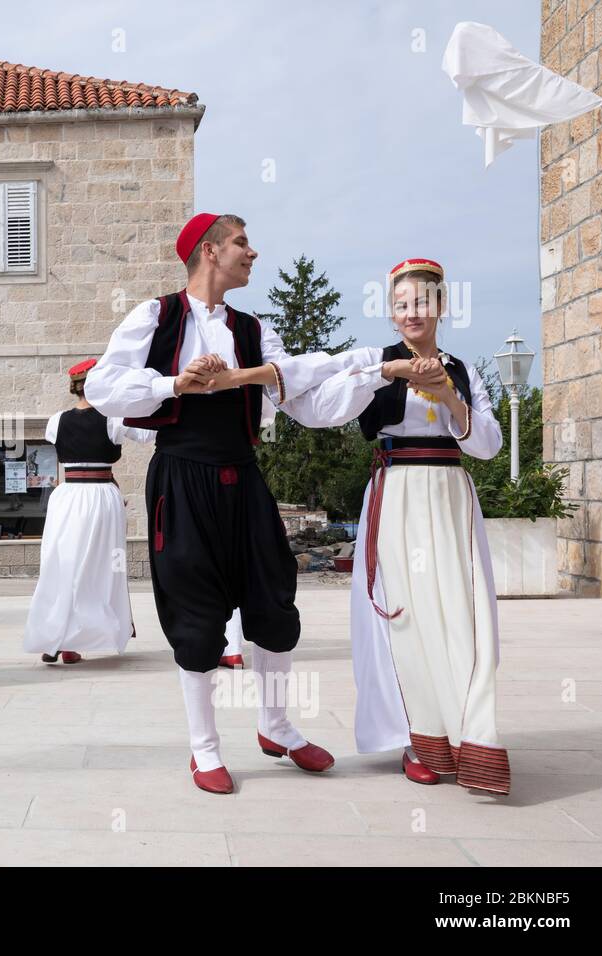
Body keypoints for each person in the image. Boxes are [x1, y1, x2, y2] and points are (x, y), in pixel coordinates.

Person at [85, 212, 373, 794]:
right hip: (181, 477)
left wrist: (370, 372)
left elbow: (305, 403)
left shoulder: (253, 329)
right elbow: (102, 386)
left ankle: (277, 726)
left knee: (271, 595)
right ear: (209, 251)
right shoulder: (156, 316)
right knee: (194, 607)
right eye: (242, 243)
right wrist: (175, 383)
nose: (252, 253)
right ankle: (205, 748)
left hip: (242, 474)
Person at [296, 259, 509, 794]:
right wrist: (386, 374)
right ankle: (417, 738)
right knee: (403, 614)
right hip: (397, 492)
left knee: (464, 612)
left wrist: (448, 396)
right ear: (391, 314)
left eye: (422, 302)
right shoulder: (376, 360)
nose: (412, 312)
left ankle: (468, 733)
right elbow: (324, 406)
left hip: (450, 496)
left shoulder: (462, 370)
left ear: (442, 306)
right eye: (402, 304)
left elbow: (488, 444)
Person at [24, 359, 154, 665]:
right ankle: (70, 640)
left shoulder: (57, 420)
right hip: (100, 497)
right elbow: (149, 435)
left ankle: (57, 637)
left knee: (62, 565)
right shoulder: (114, 418)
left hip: (67, 497)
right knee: (96, 569)